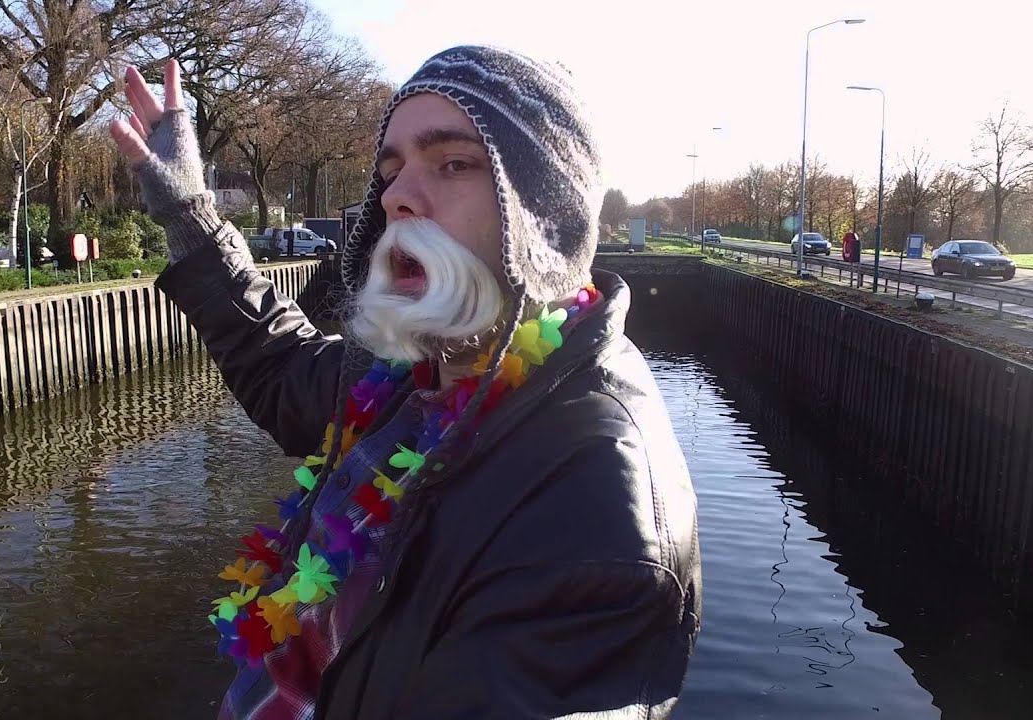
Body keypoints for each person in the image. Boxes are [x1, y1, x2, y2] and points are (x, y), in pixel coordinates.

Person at [110, 45, 701, 720]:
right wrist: (189, 213)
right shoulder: (413, 375)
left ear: (546, 216)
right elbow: (278, 363)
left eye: (452, 163)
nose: (396, 196)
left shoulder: (597, 508)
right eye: (390, 171)